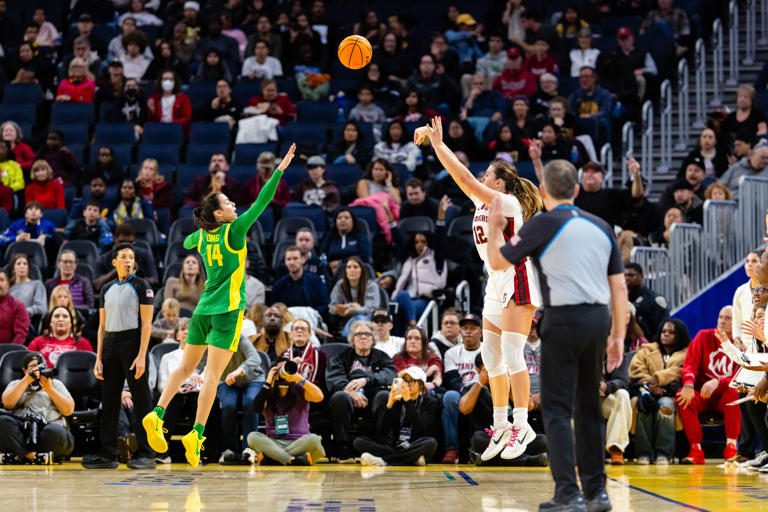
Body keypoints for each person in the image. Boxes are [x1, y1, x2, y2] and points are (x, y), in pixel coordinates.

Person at [484, 159, 627, 512]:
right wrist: (618, 336)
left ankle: (568, 493)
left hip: (563, 320)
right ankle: (597, 493)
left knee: (558, 411)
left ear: (544, 191)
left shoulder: (542, 224)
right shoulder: (601, 225)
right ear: (576, 190)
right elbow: (619, 286)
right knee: (589, 408)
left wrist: (495, 230)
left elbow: (499, 263)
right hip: (599, 320)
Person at [142, 145, 296, 467]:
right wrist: (280, 171)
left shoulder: (202, 236)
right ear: (218, 215)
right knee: (212, 375)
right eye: (227, 203)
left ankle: (157, 413)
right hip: (227, 311)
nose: (234, 204)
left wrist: (202, 231)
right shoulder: (235, 231)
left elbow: (186, 241)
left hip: (201, 311)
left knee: (185, 368)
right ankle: (196, 434)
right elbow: (261, 202)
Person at [418, 117, 542, 461]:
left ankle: (522, 425)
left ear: (499, 183)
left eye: (487, 175)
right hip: (495, 281)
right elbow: (462, 178)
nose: (481, 178)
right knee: (490, 356)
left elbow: (464, 178)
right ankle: (500, 425)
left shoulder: (509, 204)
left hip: (517, 275)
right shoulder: (483, 204)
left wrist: (438, 143)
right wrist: (439, 148)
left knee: (513, 354)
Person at [82, 242, 156, 470]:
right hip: (110, 345)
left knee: (142, 400)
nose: (127, 261)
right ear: (114, 262)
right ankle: (108, 455)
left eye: (131, 257)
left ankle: (147, 454)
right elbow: (101, 327)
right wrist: (98, 358)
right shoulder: (106, 288)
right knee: (109, 401)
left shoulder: (142, 285)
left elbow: (147, 325)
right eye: (123, 257)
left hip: (133, 343)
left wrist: (142, 355)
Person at [325, 320, 396, 462]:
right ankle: (343, 449)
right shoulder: (340, 356)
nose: (363, 337)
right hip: (348, 398)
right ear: (352, 338)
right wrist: (350, 392)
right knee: (340, 397)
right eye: (358, 334)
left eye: (367, 334)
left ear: (373, 338)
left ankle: (381, 446)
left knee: (385, 396)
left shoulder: (382, 356)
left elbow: (390, 375)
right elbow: (334, 379)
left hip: (373, 398)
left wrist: (366, 380)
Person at [676, 306, 740, 464]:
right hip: (702, 394)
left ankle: (731, 449)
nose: (722, 321)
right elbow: (689, 365)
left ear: (736, 322)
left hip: (724, 396)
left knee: (735, 393)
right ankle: (696, 450)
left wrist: (719, 382)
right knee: (682, 395)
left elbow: (739, 377)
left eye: (728, 318)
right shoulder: (703, 336)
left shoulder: (740, 344)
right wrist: (688, 385)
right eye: (720, 317)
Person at [157, 318, 223, 464]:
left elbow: (209, 379)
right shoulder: (167, 357)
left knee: (201, 400)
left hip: (196, 393)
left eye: (190, 329)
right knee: (172, 400)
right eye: (182, 329)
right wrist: (179, 388)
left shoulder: (207, 355)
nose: (186, 332)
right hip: (177, 395)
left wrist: (194, 386)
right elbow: (162, 384)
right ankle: (162, 451)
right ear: (177, 335)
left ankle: (197, 449)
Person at [629, 319, 689, 465]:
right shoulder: (646, 351)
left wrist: (659, 380)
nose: (666, 334)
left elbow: (682, 372)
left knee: (666, 405)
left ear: (679, 335)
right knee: (643, 405)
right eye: (663, 331)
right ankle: (644, 454)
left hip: (670, 394)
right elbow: (636, 370)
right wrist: (651, 385)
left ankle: (664, 454)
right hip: (646, 391)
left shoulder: (687, 354)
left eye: (671, 332)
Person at [354, 366, 439, 466]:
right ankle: (412, 459)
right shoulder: (397, 401)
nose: (407, 384)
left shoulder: (429, 403)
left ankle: (384, 461)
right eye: (405, 380)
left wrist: (407, 400)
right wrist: (389, 404)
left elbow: (421, 429)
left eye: (411, 381)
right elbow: (382, 432)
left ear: (421, 385)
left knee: (431, 443)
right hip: (394, 446)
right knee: (358, 442)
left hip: (413, 444)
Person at [246, 357, 325, 465]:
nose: (284, 374)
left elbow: (319, 397)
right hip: (274, 442)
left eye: (287, 370)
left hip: (299, 442)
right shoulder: (267, 391)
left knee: (314, 439)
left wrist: (300, 379)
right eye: (280, 370)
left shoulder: (299, 389)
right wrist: (268, 382)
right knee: (252, 437)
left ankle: (274, 458)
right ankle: (294, 459)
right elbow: (256, 408)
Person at [0, 352, 75, 464]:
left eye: (41, 366)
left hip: (46, 430)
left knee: (57, 432)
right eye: (33, 366)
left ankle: (19, 455)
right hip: (22, 431)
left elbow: (68, 410)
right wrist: (26, 380)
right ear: (24, 369)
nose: (38, 370)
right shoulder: (16, 383)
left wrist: (49, 389)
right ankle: (33, 456)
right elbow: (7, 404)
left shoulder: (55, 384)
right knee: (2, 422)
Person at [441, 313, 484, 463]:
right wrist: (468, 393)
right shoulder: (451, 353)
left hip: (484, 390)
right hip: (462, 391)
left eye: (473, 328)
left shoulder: (488, 351)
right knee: (449, 397)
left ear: (481, 332)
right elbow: (453, 380)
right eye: (465, 328)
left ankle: (483, 445)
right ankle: (451, 448)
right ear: (460, 331)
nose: (468, 331)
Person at [329, 256, 381, 336]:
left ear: (362, 270)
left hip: (368, 322)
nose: (352, 270)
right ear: (345, 270)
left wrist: (354, 310)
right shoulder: (340, 285)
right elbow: (331, 308)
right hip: (346, 322)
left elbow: (372, 310)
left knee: (360, 319)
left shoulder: (371, 286)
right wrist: (350, 305)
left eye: (355, 267)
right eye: (349, 267)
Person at [272, 246, 330, 315]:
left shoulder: (317, 282)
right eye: (289, 259)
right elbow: (275, 308)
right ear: (285, 262)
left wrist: (309, 312)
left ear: (303, 260)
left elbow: (325, 305)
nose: (292, 262)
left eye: (295, 258)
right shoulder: (278, 286)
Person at [28, 306, 93, 367]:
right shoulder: (37, 342)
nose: (61, 319)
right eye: (57, 316)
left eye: (65, 316)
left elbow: (91, 368)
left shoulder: (83, 343)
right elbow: (28, 366)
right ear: (50, 323)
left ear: (71, 323)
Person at [600, 353, 631, 465]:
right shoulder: (580, 350)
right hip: (582, 399)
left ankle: (616, 448)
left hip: (605, 397)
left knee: (622, 394)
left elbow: (622, 381)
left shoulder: (617, 353)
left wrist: (606, 386)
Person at [624, 263, 670, 340]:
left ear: (641, 276)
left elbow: (663, 327)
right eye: (625, 275)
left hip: (650, 343)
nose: (627, 278)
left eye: (631, 275)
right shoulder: (624, 298)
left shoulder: (654, 299)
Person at [568, 66, 612, 145]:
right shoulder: (574, 96)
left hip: (597, 123)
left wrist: (591, 116)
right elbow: (571, 111)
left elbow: (605, 111)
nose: (584, 80)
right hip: (579, 123)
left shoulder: (604, 94)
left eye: (587, 76)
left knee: (601, 122)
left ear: (594, 78)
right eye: (582, 77)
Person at [322, 207, 373, 273]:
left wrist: (340, 263)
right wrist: (327, 267)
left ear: (353, 221)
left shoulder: (361, 237)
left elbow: (365, 258)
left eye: (346, 217)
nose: (342, 220)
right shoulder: (329, 238)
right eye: (339, 218)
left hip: (356, 272)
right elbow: (322, 256)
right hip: (331, 273)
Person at [733, 251, 762, 352]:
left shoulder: (766, 290)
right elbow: (736, 321)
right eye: (747, 261)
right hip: (745, 349)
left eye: (754, 261)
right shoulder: (740, 291)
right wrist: (737, 341)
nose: (749, 264)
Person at [8, 253, 46, 321]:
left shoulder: (37, 285)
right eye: (18, 264)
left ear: (28, 268)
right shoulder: (8, 288)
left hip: (28, 322)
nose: (22, 266)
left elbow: (41, 307)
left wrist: (21, 312)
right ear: (13, 268)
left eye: (25, 264)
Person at [0, 269, 29, 344]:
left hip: (7, 350)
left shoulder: (18, 306)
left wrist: (10, 350)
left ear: (8, 284)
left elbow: (20, 334)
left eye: (1, 280)